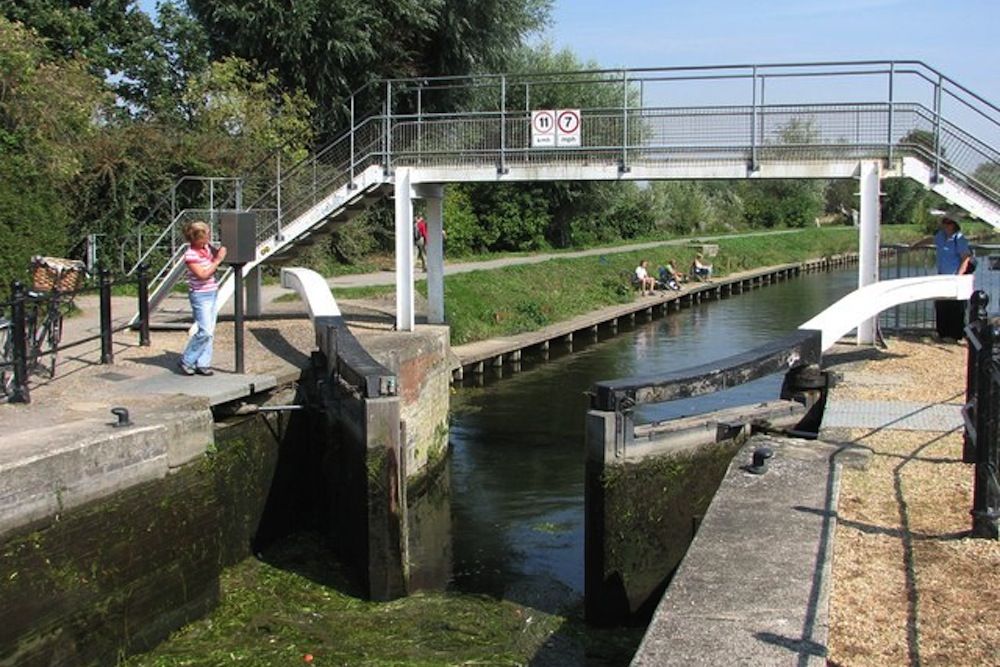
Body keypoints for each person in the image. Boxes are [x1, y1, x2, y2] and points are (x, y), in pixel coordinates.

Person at [178, 220, 226, 376]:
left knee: (210, 330)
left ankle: (203, 363)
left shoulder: (206, 249)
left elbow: (215, 253)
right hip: (200, 295)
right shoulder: (190, 255)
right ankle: (187, 360)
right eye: (205, 236)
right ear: (197, 238)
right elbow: (203, 274)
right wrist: (218, 260)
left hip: (212, 292)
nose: (208, 238)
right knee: (204, 331)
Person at [913, 216, 974, 341]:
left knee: (955, 307)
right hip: (942, 277)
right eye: (943, 222)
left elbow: (965, 258)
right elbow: (931, 239)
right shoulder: (941, 236)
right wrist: (916, 245)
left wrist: (959, 275)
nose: (943, 224)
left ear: (953, 225)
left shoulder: (959, 239)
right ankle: (943, 333)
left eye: (947, 222)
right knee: (941, 305)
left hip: (954, 278)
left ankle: (955, 335)